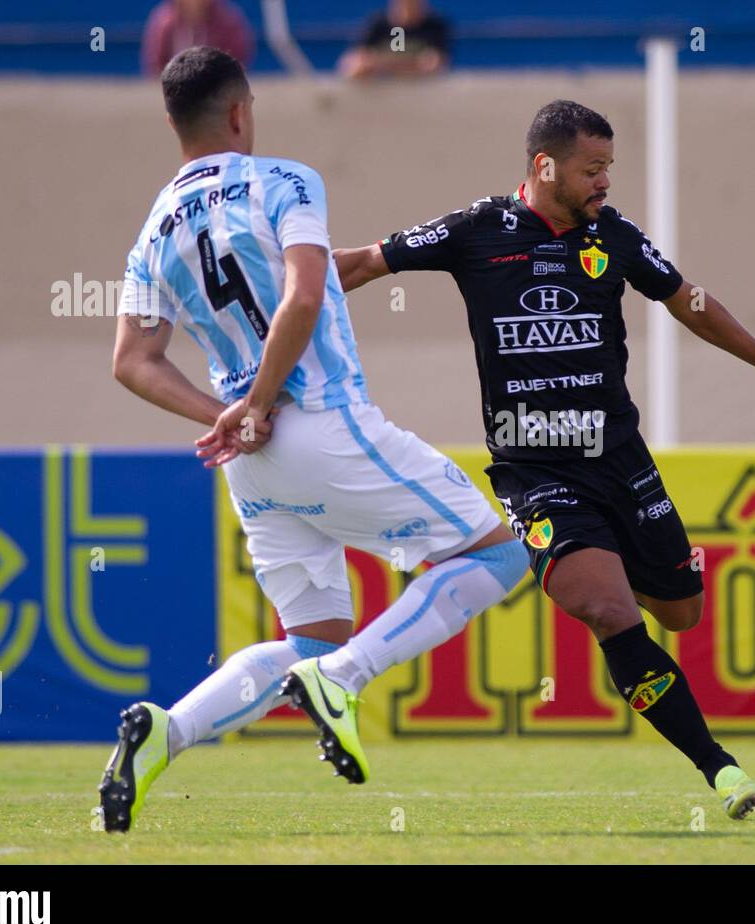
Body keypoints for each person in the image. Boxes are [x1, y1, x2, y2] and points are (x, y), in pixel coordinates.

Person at [331, 100, 755, 820]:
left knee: (682, 612)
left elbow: (687, 300)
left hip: (619, 460)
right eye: (591, 170)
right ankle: (721, 769)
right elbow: (357, 263)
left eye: (609, 168)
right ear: (545, 167)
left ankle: (653, 565)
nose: (604, 182)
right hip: (534, 474)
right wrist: (270, 304)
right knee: (610, 611)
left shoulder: (614, 235)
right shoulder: (477, 230)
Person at [101, 46, 526, 833]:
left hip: (251, 463)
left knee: (308, 636)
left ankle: (168, 731)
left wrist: (227, 415)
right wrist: (262, 399)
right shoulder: (285, 182)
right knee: (499, 553)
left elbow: (132, 361)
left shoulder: (152, 231)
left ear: (171, 123)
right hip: (320, 423)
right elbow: (300, 299)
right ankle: (348, 678)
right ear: (239, 113)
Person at [338, 0, 450, 79]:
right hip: (380, 97)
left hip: (421, 95)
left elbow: (435, 64)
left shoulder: (435, 26)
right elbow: (353, 64)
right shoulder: (377, 24)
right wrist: (412, 65)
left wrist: (381, 64)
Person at [141, 0, 255, 77]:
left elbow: (238, 61)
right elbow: (155, 64)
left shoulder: (228, 20)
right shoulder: (164, 22)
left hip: (216, 94)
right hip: (173, 94)